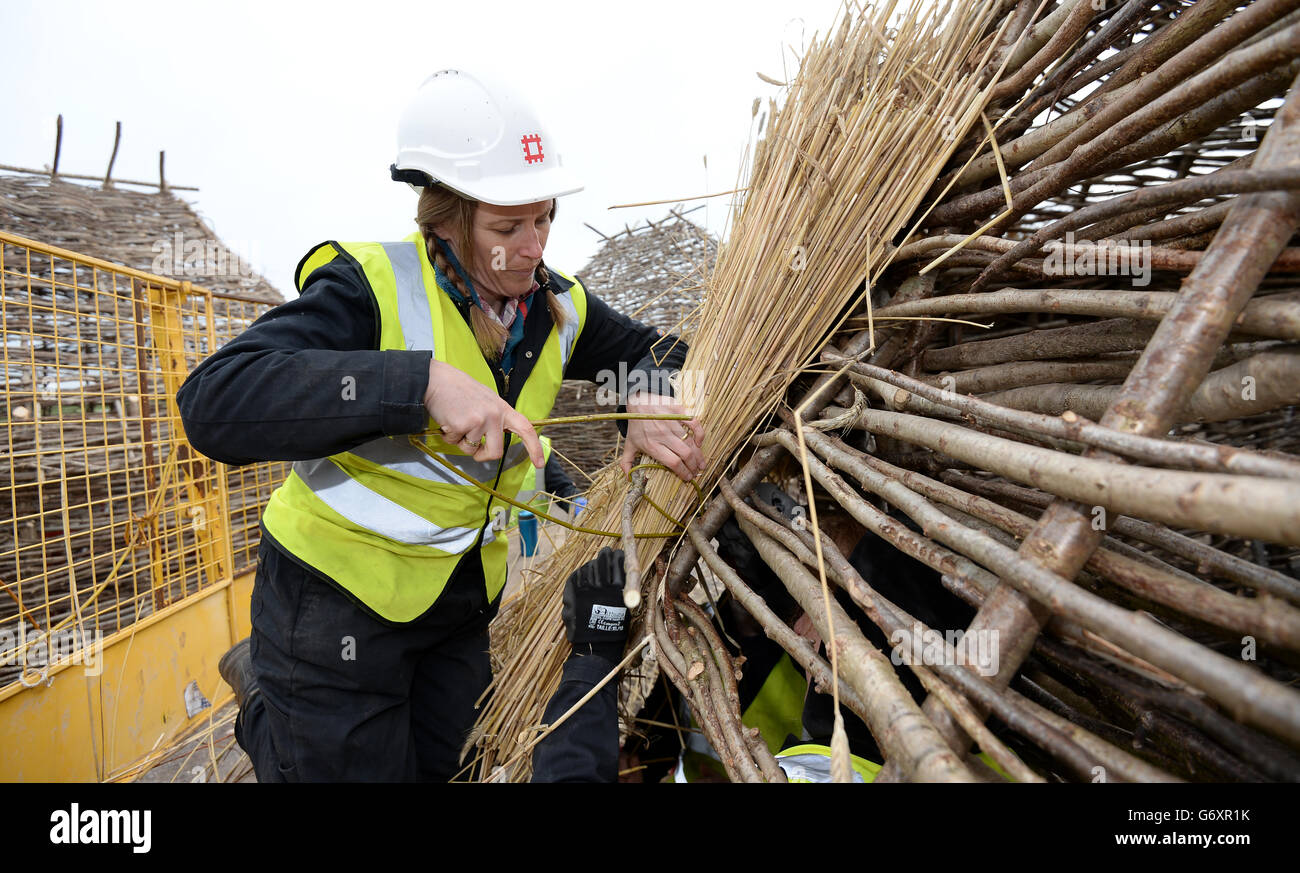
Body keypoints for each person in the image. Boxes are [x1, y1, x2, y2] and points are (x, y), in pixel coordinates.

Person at [178, 69, 705, 782]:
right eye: (508, 227)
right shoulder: (369, 287)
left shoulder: (557, 307)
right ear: (445, 219)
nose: (534, 247)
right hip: (334, 602)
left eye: (545, 217)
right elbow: (215, 402)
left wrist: (643, 390)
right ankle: (266, 708)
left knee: (454, 768)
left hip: (455, 607)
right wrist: (417, 382)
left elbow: (654, 348)